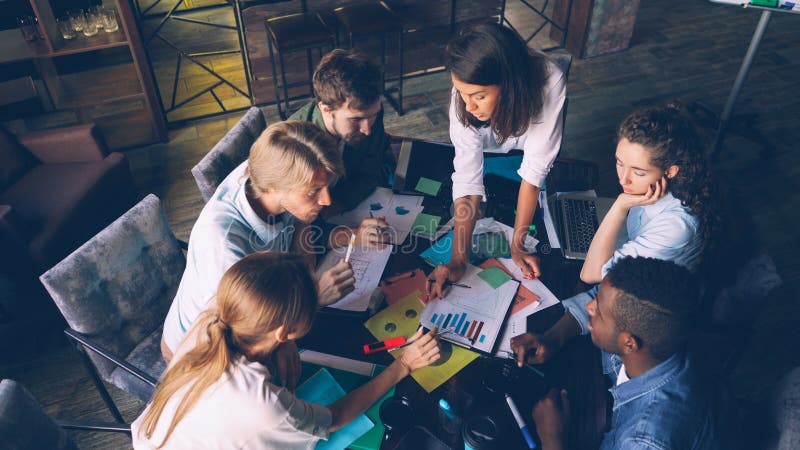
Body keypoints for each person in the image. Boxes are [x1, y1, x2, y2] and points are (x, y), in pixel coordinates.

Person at [133, 252, 441, 450]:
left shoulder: (215, 315)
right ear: (281, 332)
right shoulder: (261, 403)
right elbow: (333, 418)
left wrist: (284, 343)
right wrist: (403, 365)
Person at [161, 121, 388, 366]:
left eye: (326, 187)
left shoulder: (274, 172)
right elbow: (245, 336)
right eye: (314, 192)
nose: (326, 200)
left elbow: (301, 237)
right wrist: (313, 298)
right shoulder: (225, 248)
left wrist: (309, 271)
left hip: (265, 308)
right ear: (275, 187)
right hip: (205, 351)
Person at [511, 103, 716, 355]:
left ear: (671, 171)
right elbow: (605, 291)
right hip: (617, 302)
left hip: (642, 331)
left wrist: (620, 206)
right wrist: (553, 337)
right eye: (620, 163)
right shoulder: (649, 191)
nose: (623, 179)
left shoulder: (676, 226)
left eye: (638, 172)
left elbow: (592, 276)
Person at [529, 257, 739, 450]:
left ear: (629, 343)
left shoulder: (645, 440)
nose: (589, 306)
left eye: (599, 311)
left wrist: (551, 437)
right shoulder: (659, 341)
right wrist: (554, 338)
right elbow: (611, 302)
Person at [427, 23, 566, 299]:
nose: (468, 106)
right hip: (489, 145)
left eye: (479, 96)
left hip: (527, 143)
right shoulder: (466, 91)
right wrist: (458, 259)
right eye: (462, 94)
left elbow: (533, 174)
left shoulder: (550, 80)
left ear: (510, 86)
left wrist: (518, 244)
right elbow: (467, 181)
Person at [289, 48, 390, 215]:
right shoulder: (293, 144)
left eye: (373, 115)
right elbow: (294, 214)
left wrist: (342, 203)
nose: (367, 130)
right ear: (326, 109)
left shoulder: (370, 115)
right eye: (355, 120)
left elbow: (371, 172)